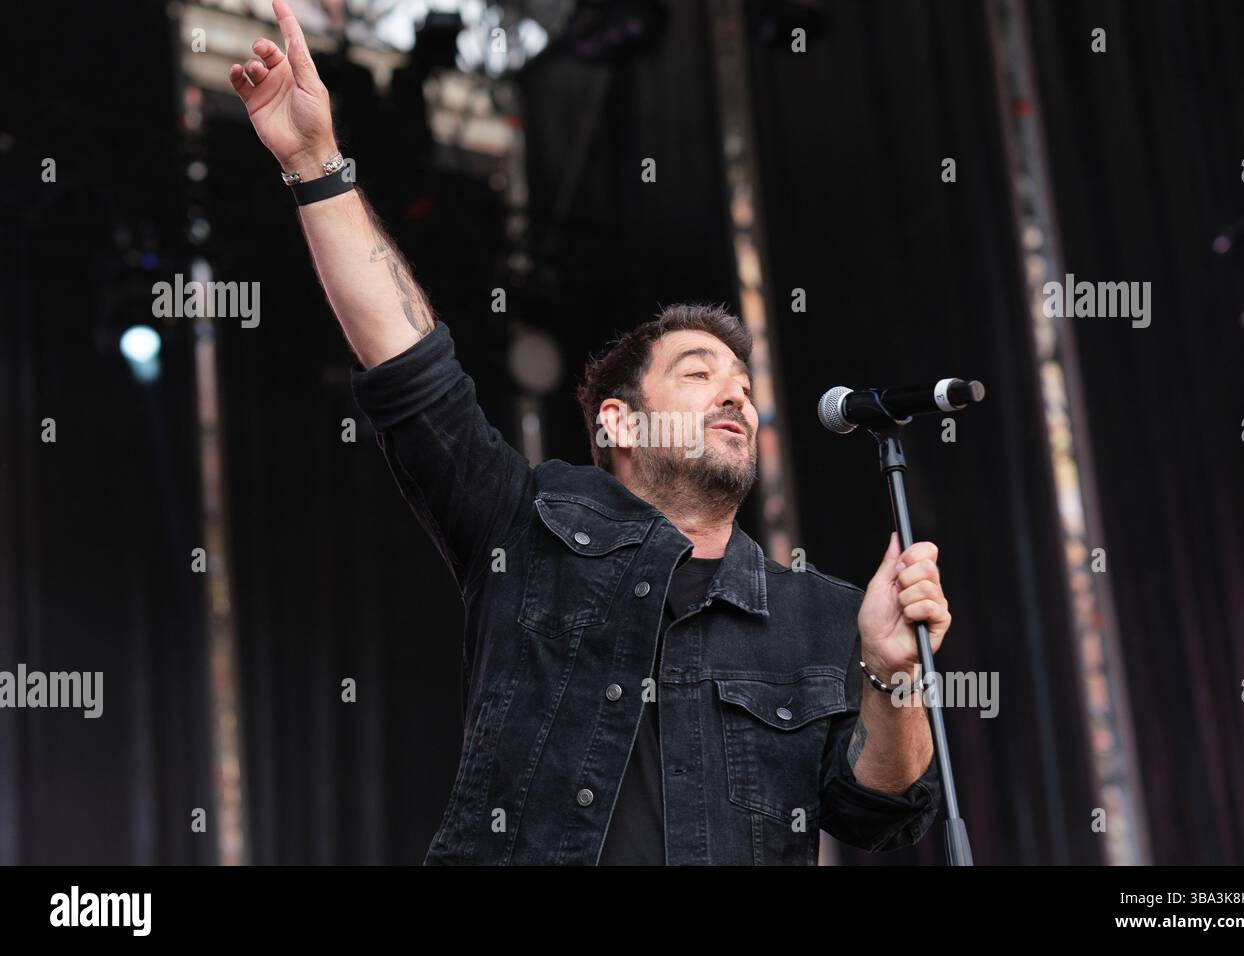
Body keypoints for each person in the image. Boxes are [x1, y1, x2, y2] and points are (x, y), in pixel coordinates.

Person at [229, 0, 951, 865]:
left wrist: (891, 675)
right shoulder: (524, 528)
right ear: (618, 420)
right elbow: (410, 366)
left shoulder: (821, 615)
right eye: (698, 373)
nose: (734, 394)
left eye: (744, 385)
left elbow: (878, 811)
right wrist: (316, 164)